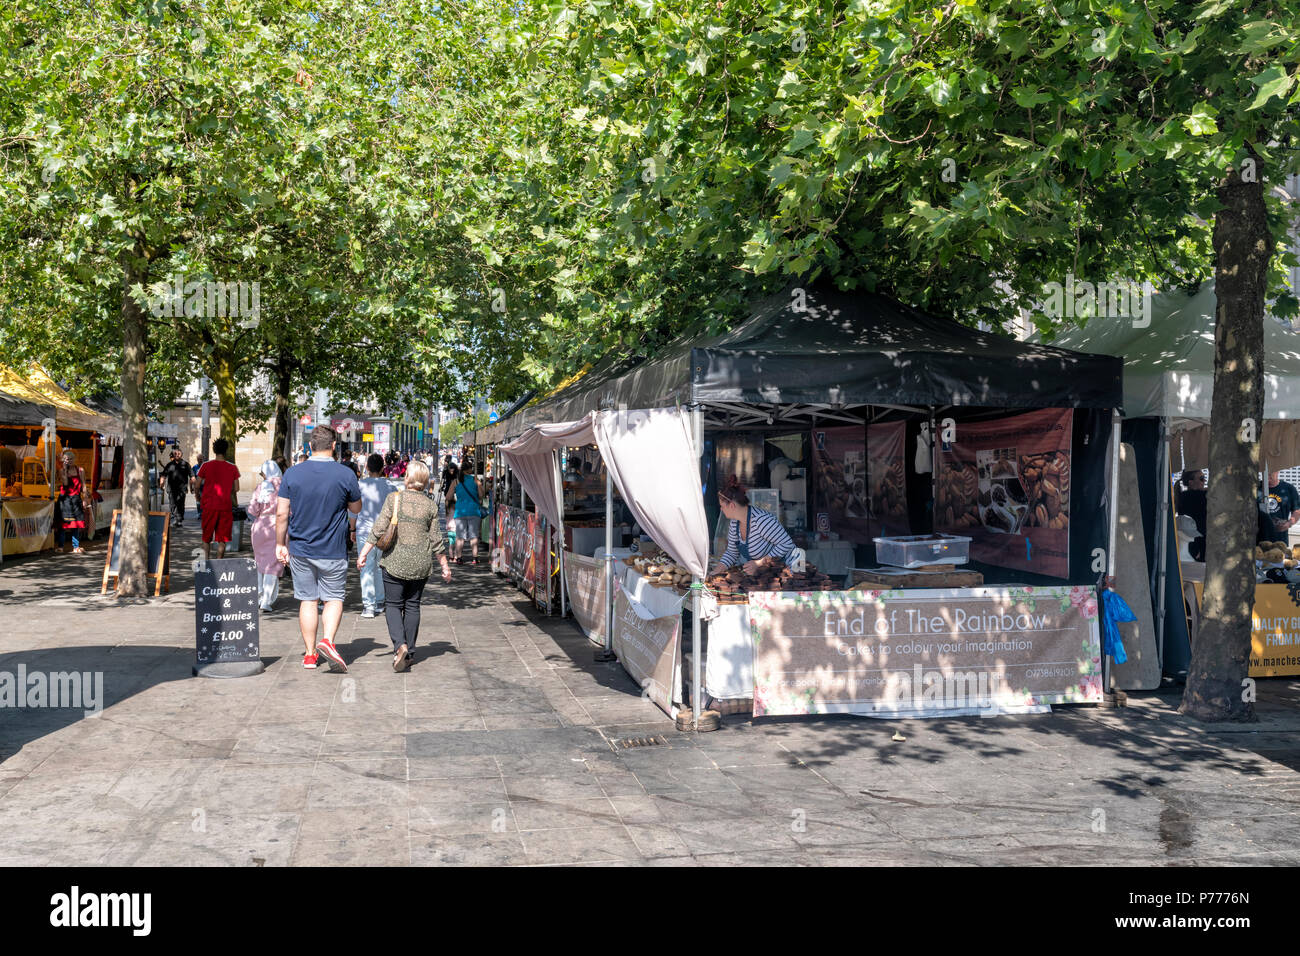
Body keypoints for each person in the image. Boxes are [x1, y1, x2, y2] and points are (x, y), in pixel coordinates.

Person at [276, 424, 361, 671]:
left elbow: (281, 514)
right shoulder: (345, 474)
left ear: (310, 445)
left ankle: (310, 654)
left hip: (301, 549)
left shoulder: (292, 473)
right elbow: (356, 509)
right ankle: (328, 641)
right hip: (333, 548)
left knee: (308, 600)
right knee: (334, 598)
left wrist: (280, 544)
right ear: (334, 445)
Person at [356, 459, 452, 672]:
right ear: (425, 481)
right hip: (420, 563)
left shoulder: (394, 499)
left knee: (393, 605)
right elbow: (436, 539)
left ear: (407, 478)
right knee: (412, 605)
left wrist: (363, 554)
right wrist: (445, 566)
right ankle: (410, 652)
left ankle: (400, 645)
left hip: (394, 562)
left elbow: (379, 528)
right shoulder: (430, 504)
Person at [710, 475, 797, 575]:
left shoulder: (762, 520)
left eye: (722, 506)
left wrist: (760, 563)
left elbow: (786, 544)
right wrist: (715, 572)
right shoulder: (735, 523)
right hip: (766, 573)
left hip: (787, 572)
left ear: (732, 506)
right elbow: (731, 553)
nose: (721, 509)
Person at [245, 459, 285, 611]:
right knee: (273, 565)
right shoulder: (284, 486)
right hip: (277, 527)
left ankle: (259, 595)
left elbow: (253, 510)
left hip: (260, 527)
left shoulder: (261, 487)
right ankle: (267, 599)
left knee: (260, 563)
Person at [355, 453, 390, 618]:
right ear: (383, 468)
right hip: (384, 532)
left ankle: (368, 605)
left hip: (364, 531)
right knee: (379, 567)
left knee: (366, 567)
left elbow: (353, 511)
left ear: (367, 467)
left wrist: (352, 530)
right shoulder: (390, 486)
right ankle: (380, 601)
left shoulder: (359, 485)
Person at [194, 439, 240, 561]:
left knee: (206, 538)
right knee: (222, 539)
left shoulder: (205, 465)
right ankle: (219, 563)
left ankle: (206, 564)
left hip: (209, 506)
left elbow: (197, 485)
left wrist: (198, 497)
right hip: (225, 507)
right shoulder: (233, 467)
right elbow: (236, 488)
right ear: (226, 450)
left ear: (214, 450)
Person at [446, 463, 484, 564]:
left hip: (460, 512)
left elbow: (448, 497)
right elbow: (481, 495)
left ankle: (459, 558)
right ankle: (475, 558)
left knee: (459, 536)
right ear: (470, 470)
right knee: (474, 535)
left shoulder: (456, 481)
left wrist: (458, 499)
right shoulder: (475, 480)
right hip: (474, 511)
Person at [53, 450, 89, 555]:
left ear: (74, 459)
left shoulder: (80, 470)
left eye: (70, 459)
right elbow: (65, 483)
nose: (68, 461)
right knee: (63, 525)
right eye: (65, 459)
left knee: (76, 524)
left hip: (76, 499)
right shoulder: (61, 471)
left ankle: (76, 546)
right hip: (65, 500)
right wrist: (64, 469)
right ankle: (60, 546)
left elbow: (83, 485)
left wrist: (85, 498)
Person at [1258, 469, 1300, 545]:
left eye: (1271, 471)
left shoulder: (1289, 489)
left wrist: (1289, 523)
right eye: (1265, 472)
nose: (1268, 474)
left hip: (1280, 539)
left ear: (1278, 471)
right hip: (1258, 539)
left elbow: (1296, 511)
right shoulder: (1256, 488)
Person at [1174, 469, 1207, 562]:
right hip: (1200, 541)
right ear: (1191, 482)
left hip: (1194, 542)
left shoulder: (1182, 496)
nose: (1204, 481)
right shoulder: (1200, 496)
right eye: (1201, 478)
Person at [159, 448, 191, 527]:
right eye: (175, 454)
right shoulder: (169, 465)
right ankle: (177, 517)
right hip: (171, 489)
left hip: (182, 489)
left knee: (180, 504)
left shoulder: (186, 464)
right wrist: (161, 484)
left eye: (179, 454)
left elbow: (192, 476)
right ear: (173, 455)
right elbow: (163, 475)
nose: (177, 455)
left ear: (181, 454)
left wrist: (193, 486)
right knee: (172, 505)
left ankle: (179, 520)